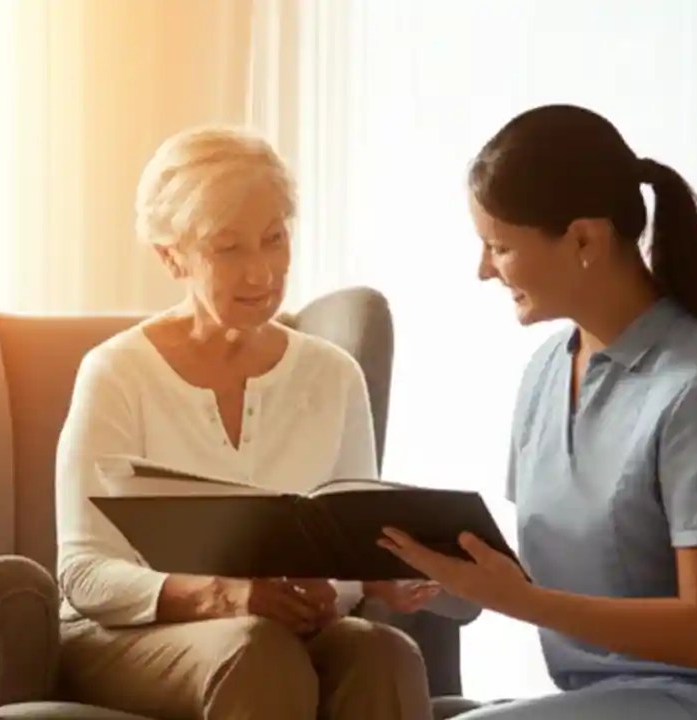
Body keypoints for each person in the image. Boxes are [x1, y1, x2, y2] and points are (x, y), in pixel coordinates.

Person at [378, 104, 697, 719]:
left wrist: (520, 601)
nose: (484, 269)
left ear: (584, 239)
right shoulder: (545, 372)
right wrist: (437, 583)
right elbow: (555, 573)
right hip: (613, 701)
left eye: (499, 246)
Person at [54, 125, 443, 720]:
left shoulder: (333, 376)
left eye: (274, 240)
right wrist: (225, 596)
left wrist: (328, 591)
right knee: (256, 649)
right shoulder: (116, 372)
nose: (261, 273)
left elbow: (351, 548)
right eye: (227, 248)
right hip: (129, 638)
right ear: (171, 255)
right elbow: (84, 574)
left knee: (382, 651)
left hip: (276, 634)